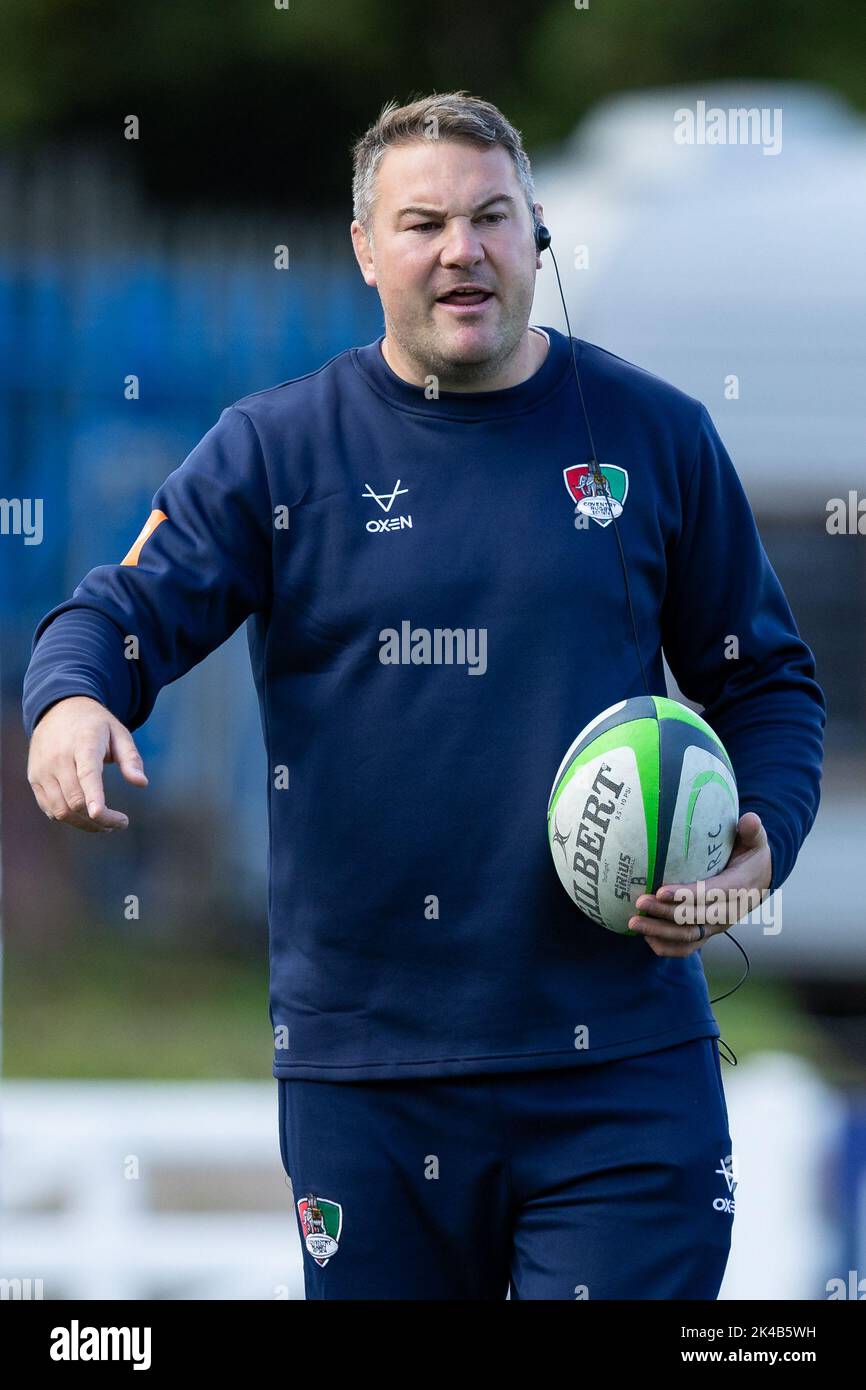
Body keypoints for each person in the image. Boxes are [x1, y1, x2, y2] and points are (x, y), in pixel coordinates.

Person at [22, 91, 825, 1300]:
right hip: (369, 1079)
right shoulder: (275, 452)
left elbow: (765, 680)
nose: (463, 248)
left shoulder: (654, 436)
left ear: (537, 234)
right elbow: (116, 612)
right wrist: (73, 700)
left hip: (618, 1073)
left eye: (492, 217)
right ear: (364, 249)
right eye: (423, 221)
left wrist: (761, 832)